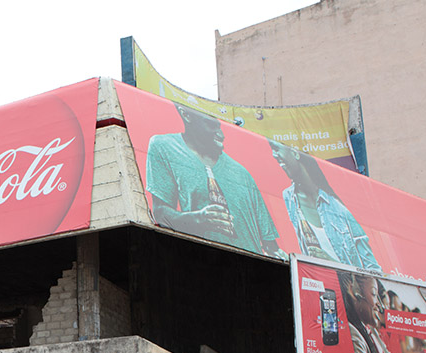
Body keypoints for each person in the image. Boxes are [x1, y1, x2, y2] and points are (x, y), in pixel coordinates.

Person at [146, 104, 285, 258]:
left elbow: (271, 245)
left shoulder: (242, 173)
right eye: (211, 125)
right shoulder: (164, 146)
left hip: (250, 273)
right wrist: (199, 219)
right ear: (186, 115)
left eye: (220, 126)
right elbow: (160, 214)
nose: (220, 134)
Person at [269, 140, 381, 271]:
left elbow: (373, 270)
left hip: (347, 288)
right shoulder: (288, 197)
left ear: (296, 153)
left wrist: (332, 263)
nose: (273, 154)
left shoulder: (339, 208)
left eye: (276, 148)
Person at [339, 271, 394, 353]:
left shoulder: (371, 332)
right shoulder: (353, 335)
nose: (380, 305)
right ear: (354, 292)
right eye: (374, 294)